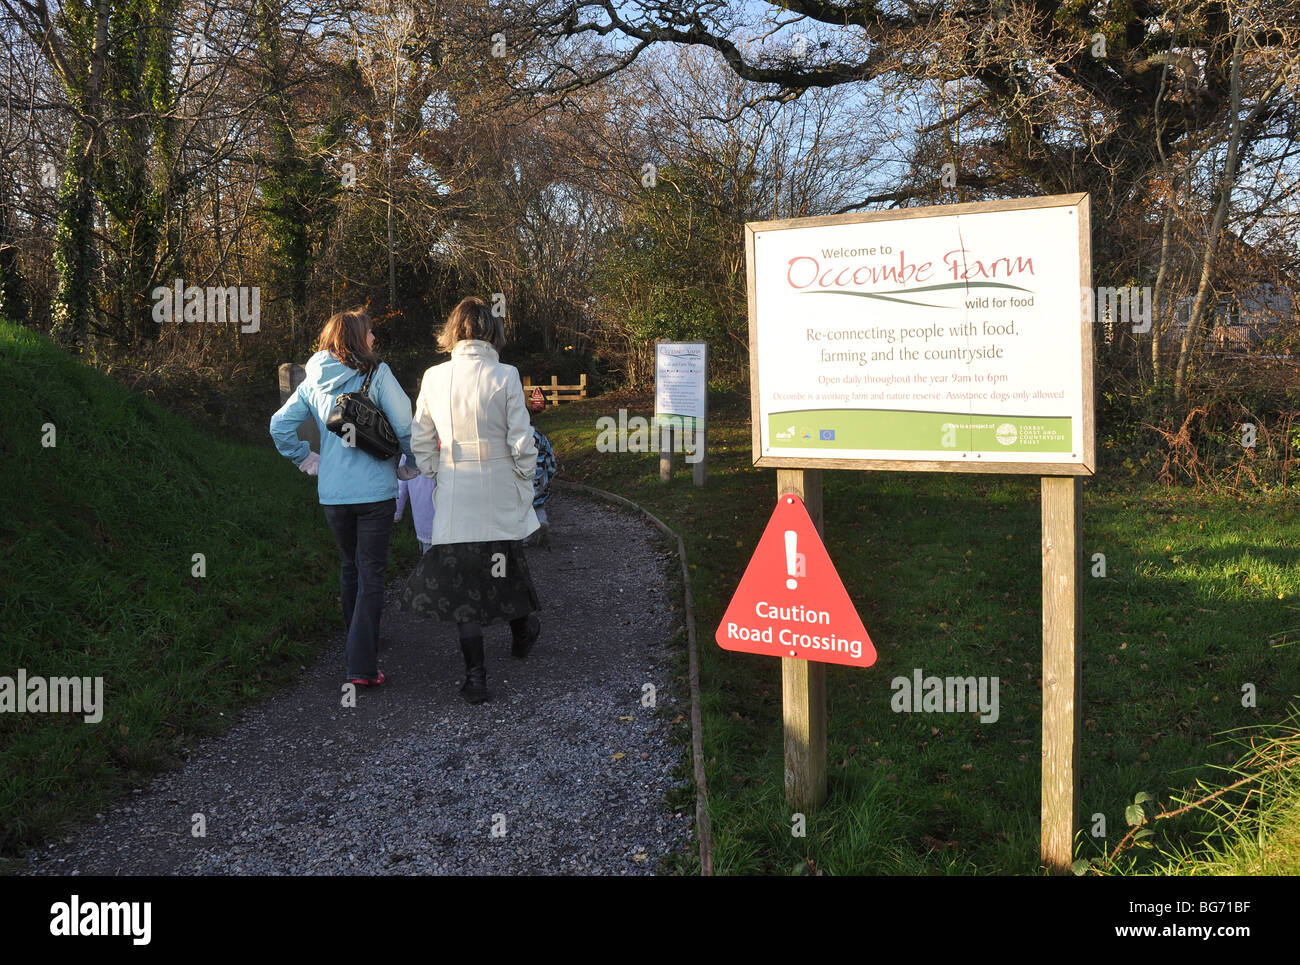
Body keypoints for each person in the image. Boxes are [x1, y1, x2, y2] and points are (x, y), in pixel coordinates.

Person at [400, 296, 542, 704]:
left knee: (463, 581)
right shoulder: (506, 374)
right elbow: (522, 439)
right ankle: (521, 633)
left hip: (455, 484)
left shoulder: (433, 376)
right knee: (503, 560)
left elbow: (421, 438)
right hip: (497, 482)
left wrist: (436, 471)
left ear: (454, 329)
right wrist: (523, 480)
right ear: (492, 331)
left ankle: (476, 677)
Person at [270, 307, 417, 688]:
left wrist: (305, 458)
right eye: (368, 333)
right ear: (354, 338)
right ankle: (363, 666)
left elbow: (279, 425)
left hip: (334, 495)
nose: (373, 339)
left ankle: (359, 642)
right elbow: (404, 424)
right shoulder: (377, 373)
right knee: (371, 573)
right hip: (374, 493)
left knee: (350, 567)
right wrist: (410, 463)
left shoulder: (313, 380)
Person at [394, 453, 437, 554]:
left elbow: (401, 483)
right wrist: (396, 511)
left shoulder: (412, 444)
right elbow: (401, 483)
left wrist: (396, 512)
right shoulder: (412, 446)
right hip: (425, 511)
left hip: (426, 510)